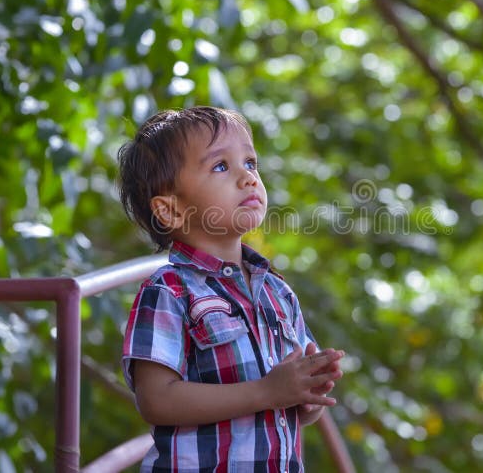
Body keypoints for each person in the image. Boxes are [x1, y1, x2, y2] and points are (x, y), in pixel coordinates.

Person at [117, 106, 344, 472]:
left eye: (251, 163)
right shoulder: (169, 292)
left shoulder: (277, 292)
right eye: (221, 166)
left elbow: (295, 411)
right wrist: (266, 392)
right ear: (171, 210)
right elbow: (156, 400)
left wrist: (308, 395)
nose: (248, 178)